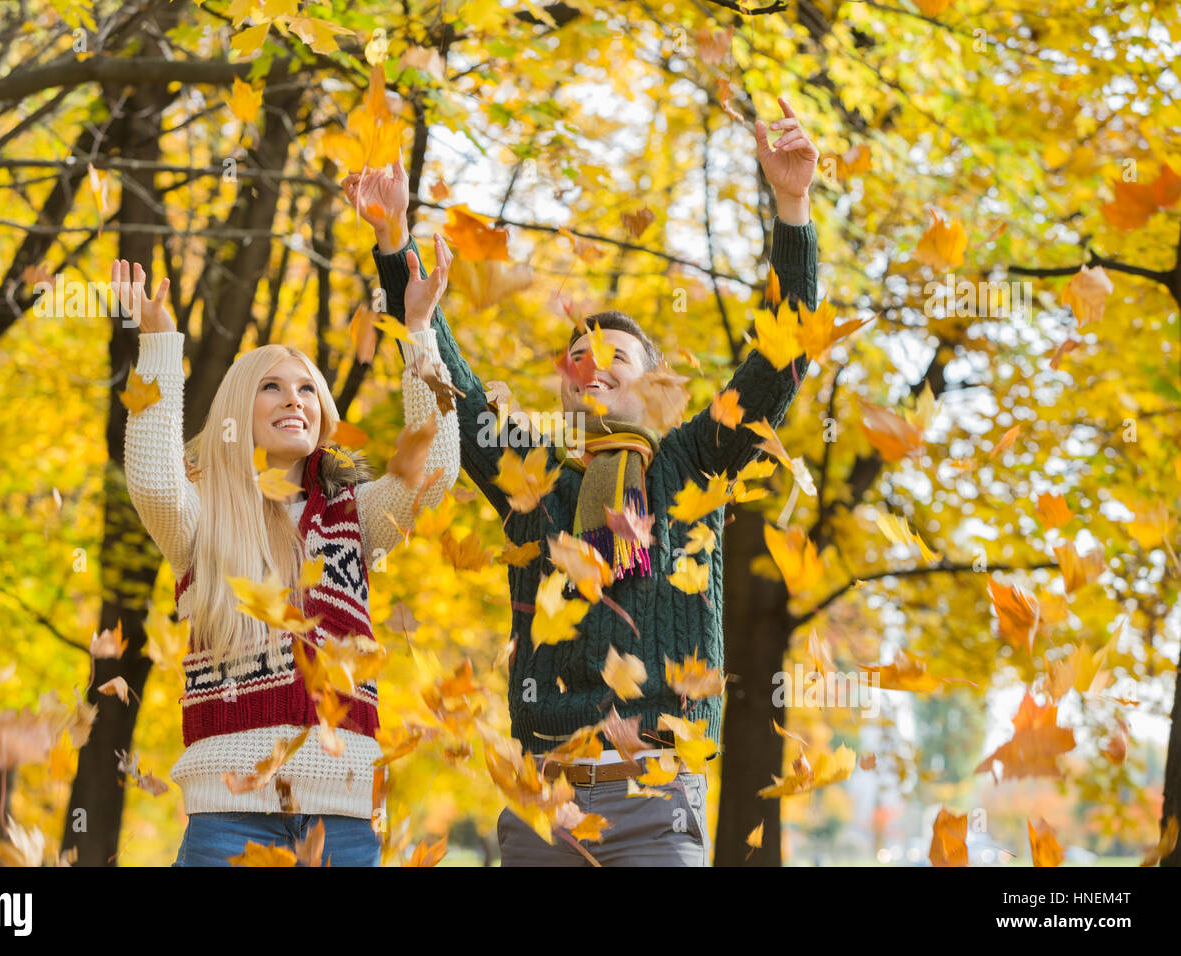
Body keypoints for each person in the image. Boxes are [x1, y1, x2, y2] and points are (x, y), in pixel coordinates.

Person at [346, 95, 819, 866]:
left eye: (615, 357)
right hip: (544, 805)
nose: (592, 365)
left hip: (655, 800)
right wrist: (394, 243)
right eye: (577, 358)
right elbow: (455, 389)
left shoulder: (691, 460)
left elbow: (778, 364)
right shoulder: (534, 472)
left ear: (652, 385)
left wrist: (792, 209)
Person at [115, 256, 460, 866]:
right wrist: (160, 343)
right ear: (236, 410)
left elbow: (433, 473)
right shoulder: (202, 518)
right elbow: (153, 482)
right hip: (229, 822)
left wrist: (419, 332)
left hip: (341, 824)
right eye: (271, 386)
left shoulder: (353, 516)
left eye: (306, 389)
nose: (293, 399)